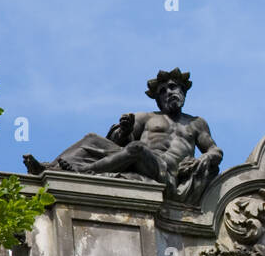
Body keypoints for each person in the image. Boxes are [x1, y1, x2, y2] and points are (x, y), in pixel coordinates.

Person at [23, 68, 222, 204]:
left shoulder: (196, 123)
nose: (168, 93)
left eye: (173, 87)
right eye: (162, 91)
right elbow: (116, 144)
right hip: (146, 163)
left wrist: (206, 157)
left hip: (168, 175)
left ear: (183, 91)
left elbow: (215, 150)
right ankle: (51, 168)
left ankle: (84, 170)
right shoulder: (146, 118)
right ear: (157, 99)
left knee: (138, 149)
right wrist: (125, 131)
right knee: (92, 138)